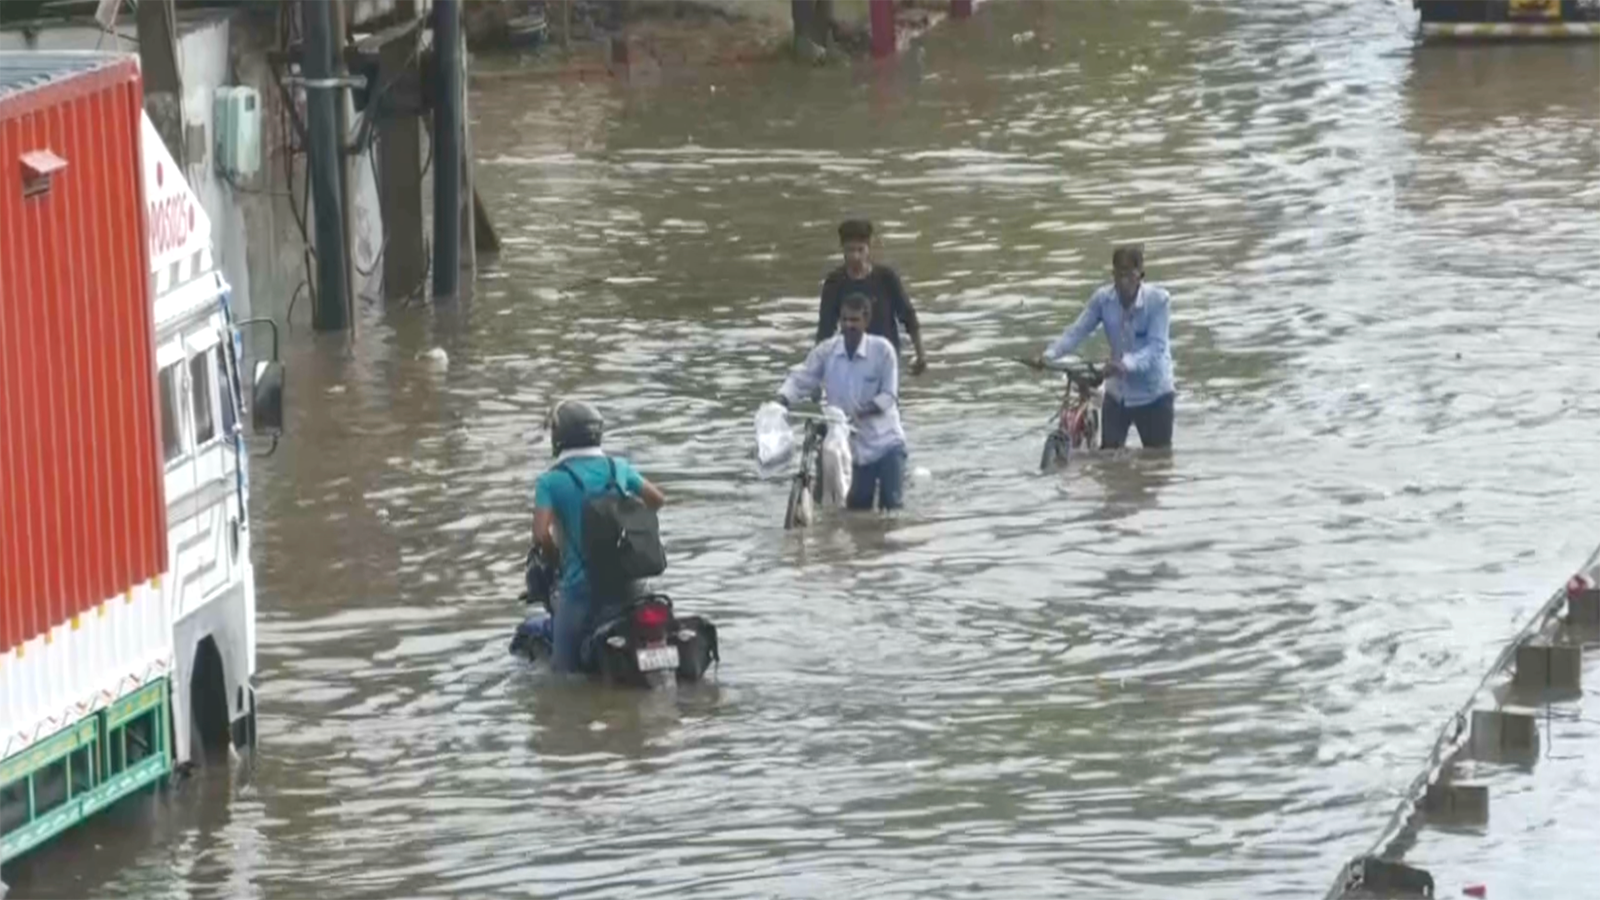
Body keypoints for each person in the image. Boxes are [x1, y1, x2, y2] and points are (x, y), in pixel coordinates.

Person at [532, 400, 666, 673]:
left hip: (581, 589)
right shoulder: (618, 468)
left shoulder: (550, 481)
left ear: (560, 437)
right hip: (631, 584)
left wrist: (554, 555)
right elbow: (656, 499)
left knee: (563, 676)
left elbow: (540, 535)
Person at [778, 293, 908, 511]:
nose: (849, 325)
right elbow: (801, 378)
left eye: (855, 320)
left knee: (891, 508)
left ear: (866, 321)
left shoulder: (883, 351)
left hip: (887, 443)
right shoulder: (827, 351)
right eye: (845, 320)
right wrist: (780, 401)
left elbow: (888, 396)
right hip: (852, 448)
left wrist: (862, 411)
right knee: (856, 511)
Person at [1037, 245, 1175, 449]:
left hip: (1153, 394)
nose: (1123, 282)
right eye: (1118, 275)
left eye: (1129, 275)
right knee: (1108, 457)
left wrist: (1125, 364)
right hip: (1117, 394)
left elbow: (1156, 348)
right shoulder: (1103, 299)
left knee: (1158, 463)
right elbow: (1078, 331)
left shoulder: (1158, 301)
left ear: (1141, 275)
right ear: (1112, 275)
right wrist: (1049, 355)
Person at [815, 219, 929, 376]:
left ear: (869, 247)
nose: (855, 256)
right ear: (842, 249)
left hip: (886, 359)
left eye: (860, 250)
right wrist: (817, 368)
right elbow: (825, 329)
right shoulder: (834, 283)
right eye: (850, 250)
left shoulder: (886, 278)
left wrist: (920, 354)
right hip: (851, 359)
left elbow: (908, 317)